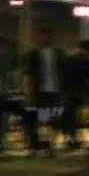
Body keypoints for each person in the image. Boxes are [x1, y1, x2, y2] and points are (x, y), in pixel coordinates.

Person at [24, 27, 63, 156]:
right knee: (42, 118)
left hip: (55, 90)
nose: (44, 39)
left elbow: (64, 72)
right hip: (40, 91)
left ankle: (50, 144)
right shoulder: (33, 54)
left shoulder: (58, 53)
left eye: (46, 36)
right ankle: (39, 144)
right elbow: (28, 74)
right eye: (41, 36)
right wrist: (29, 91)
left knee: (54, 118)